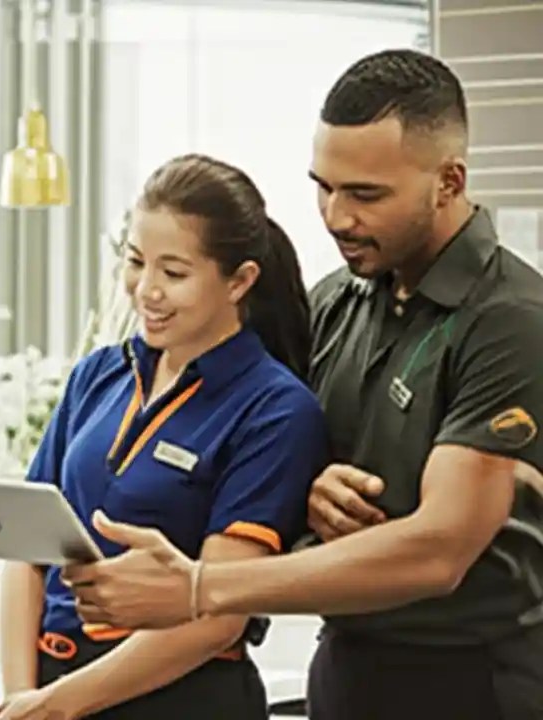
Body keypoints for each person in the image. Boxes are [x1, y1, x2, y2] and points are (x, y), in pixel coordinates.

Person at [63, 48, 543, 720]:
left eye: (366, 194)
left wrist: (202, 587)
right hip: (344, 664)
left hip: (472, 683)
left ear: (450, 180)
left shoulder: (511, 319)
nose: (336, 216)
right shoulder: (334, 303)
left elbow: (439, 550)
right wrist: (308, 485)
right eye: (325, 186)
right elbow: (275, 454)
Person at [0, 153, 328, 720]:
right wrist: (21, 698)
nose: (146, 290)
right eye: (136, 261)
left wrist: (53, 707)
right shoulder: (99, 374)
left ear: (240, 281)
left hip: (175, 698)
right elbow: (27, 548)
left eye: (173, 273)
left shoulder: (276, 409)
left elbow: (221, 610)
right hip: (51, 688)